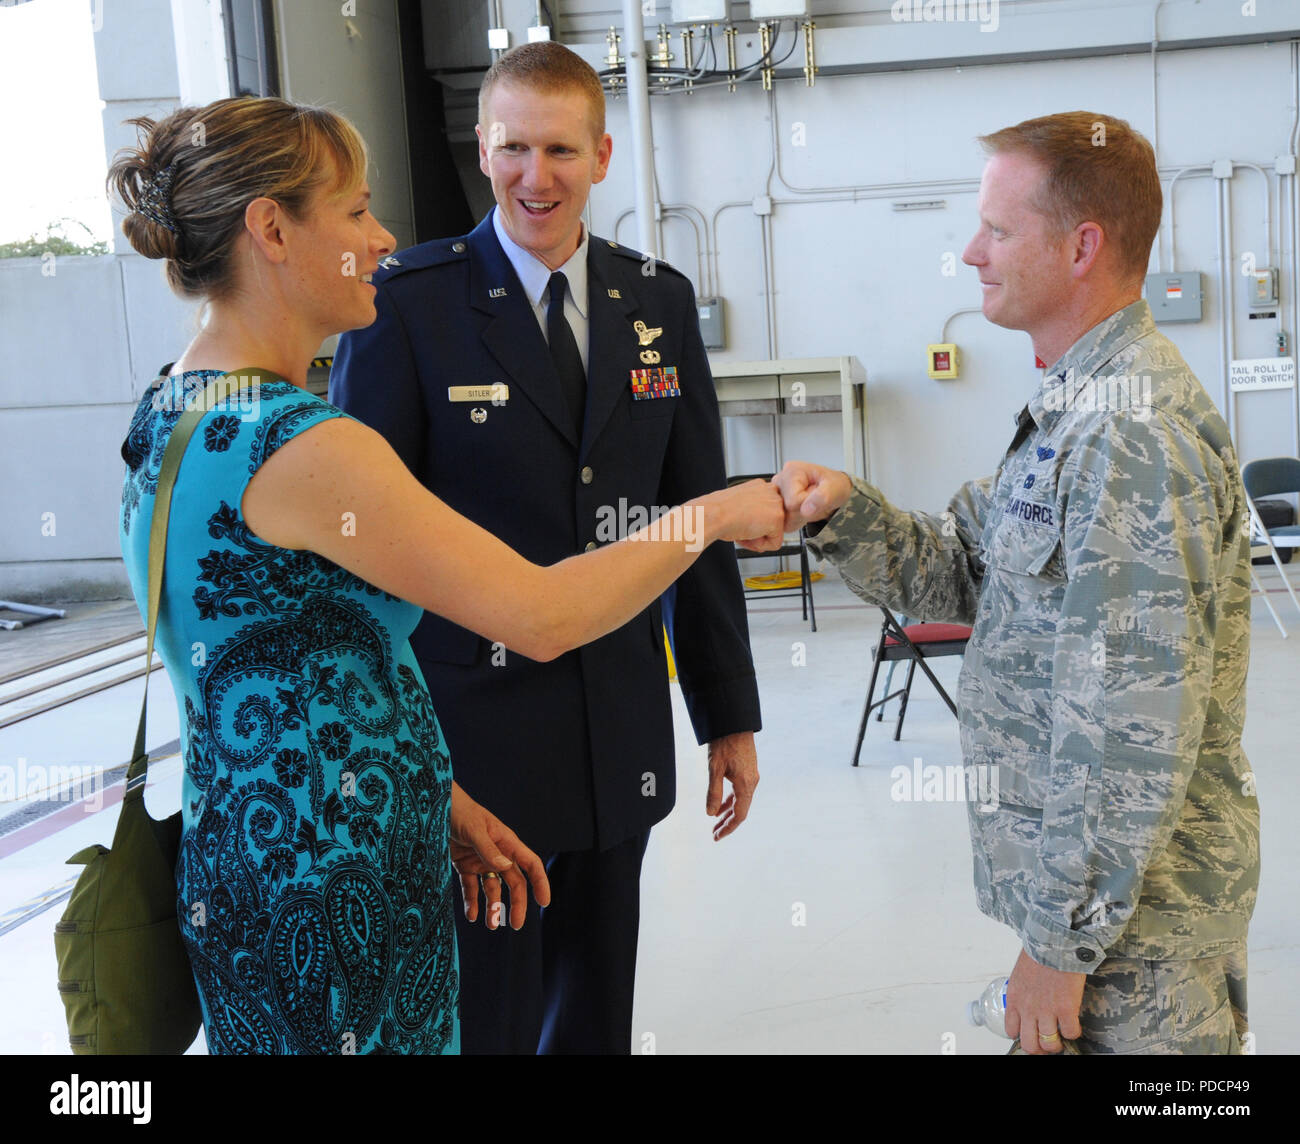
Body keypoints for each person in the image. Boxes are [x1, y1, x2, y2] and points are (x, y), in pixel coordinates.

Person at [110, 95, 783, 1055]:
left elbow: (298, 665)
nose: (382, 237)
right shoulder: (301, 444)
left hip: (262, 855)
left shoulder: (175, 410)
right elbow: (542, 615)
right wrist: (716, 513)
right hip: (339, 884)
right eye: (352, 212)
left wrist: (441, 799)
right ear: (272, 230)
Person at [776, 111, 1259, 1055]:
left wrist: (1058, 946)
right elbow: (966, 566)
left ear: (1082, 246)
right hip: (1112, 927)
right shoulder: (1078, 406)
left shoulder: (1130, 435)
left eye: (997, 230)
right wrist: (841, 509)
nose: (971, 251)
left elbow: (1130, 725)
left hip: (1137, 944)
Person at [330, 41, 764, 1054]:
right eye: (513, 148)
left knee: (596, 1020)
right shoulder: (405, 302)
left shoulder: (654, 301)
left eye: (560, 150)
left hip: (614, 730)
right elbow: (362, 545)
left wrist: (726, 712)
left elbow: (691, 516)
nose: (536, 175)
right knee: (489, 1020)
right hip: (474, 743)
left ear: (603, 155)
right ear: (482, 149)